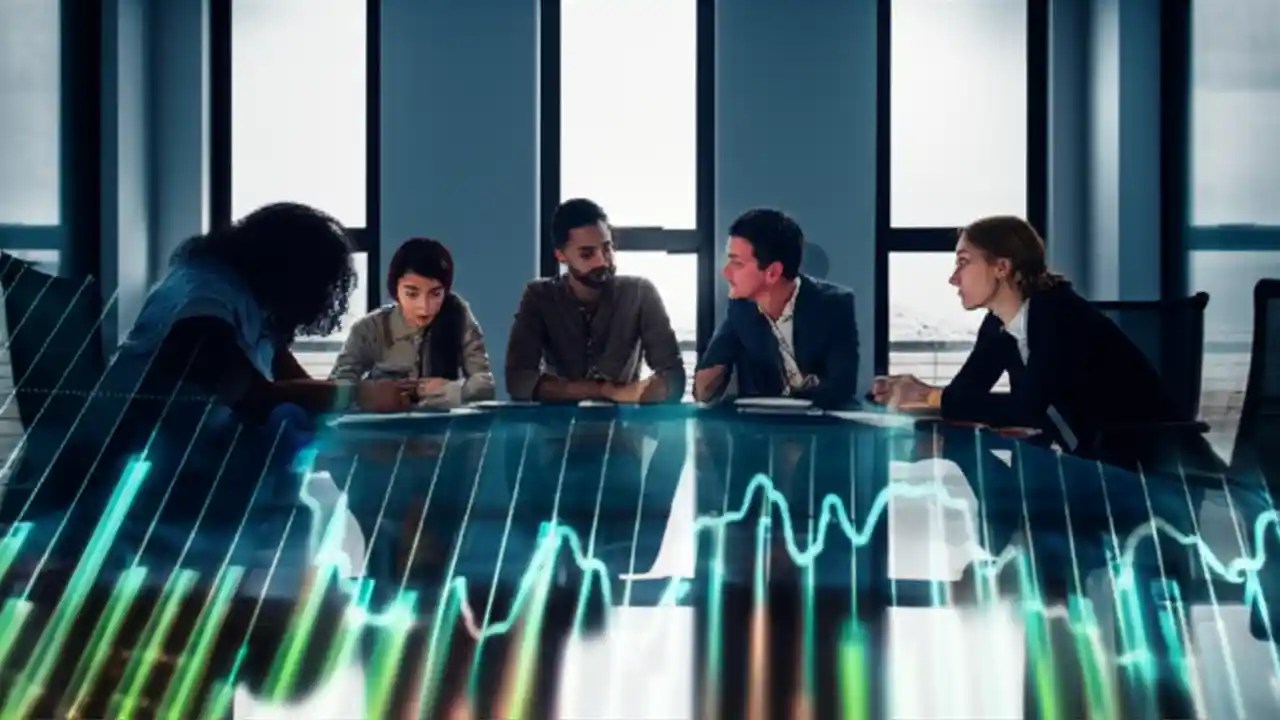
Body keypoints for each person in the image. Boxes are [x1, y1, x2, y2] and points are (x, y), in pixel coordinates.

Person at [870, 215, 1191, 470]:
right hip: (1076, 455)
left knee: (988, 469)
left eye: (964, 261)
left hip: (1134, 463)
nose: (954, 278)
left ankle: (1005, 544)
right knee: (970, 456)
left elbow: (1026, 409)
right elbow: (967, 393)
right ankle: (1000, 546)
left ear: (1002, 267)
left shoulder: (1058, 315)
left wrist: (930, 396)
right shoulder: (999, 323)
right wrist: (922, 395)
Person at [506, 198, 685, 403]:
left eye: (607, 248)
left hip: (621, 429)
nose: (602, 261)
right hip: (559, 430)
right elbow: (518, 381)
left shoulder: (639, 293)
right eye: (587, 254)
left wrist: (646, 390)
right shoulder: (539, 296)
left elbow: (674, 379)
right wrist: (605, 390)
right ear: (561, 256)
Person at [693, 208, 859, 409]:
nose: (726, 272)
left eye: (736, 263)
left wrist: (794, 401)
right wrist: (708, 380)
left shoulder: (834, 305)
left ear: (772, 273)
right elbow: (706, 382)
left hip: (822, 428)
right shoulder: (741, 308)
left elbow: (841, 388)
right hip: (764, 432)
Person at [330, 237, 495, 408]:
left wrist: (447, 390)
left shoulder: (458, 316)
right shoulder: (370, 329)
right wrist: (374, 393)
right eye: (412, 294)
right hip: (386, 430)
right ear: (395, 290)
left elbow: (485, 385)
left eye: (435, 294)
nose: (424, 307)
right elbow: (336, 387)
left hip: (442, 429)